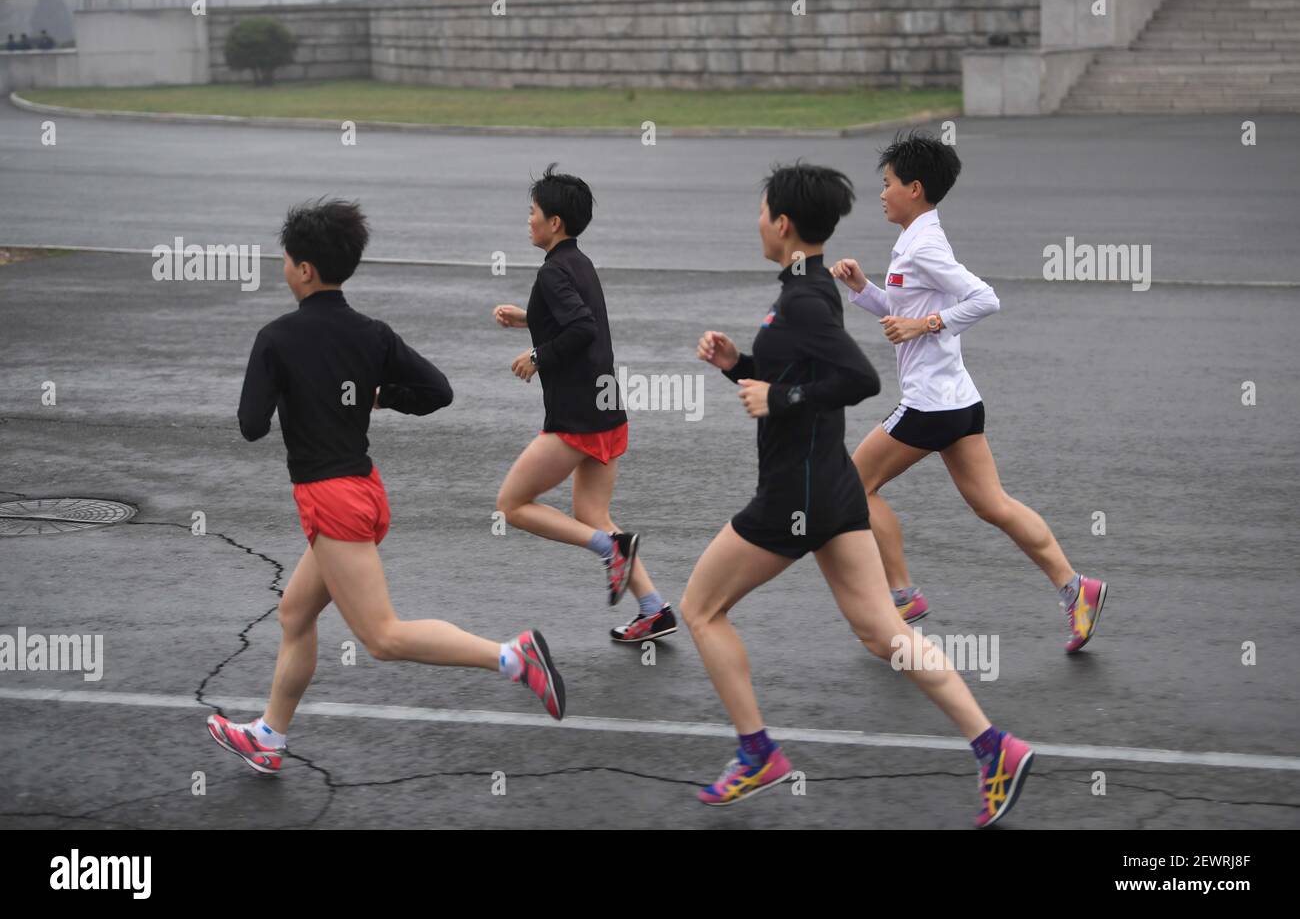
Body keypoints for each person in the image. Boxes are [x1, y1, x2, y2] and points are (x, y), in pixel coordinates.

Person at [685, 162, 1033, 827]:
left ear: (783, 224)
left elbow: (856, 378)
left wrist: (777, 395)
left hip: (797, 495)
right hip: (834, 488)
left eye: (762, 213)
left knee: (700, 610)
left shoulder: (805, 298)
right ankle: (995, 748)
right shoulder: (805, 285)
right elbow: (808, 371)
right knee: (885, 634)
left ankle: (757, 753)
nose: (756, 222)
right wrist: (742, 367)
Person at [207, 199, 564, 774]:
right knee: (295, 614)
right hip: (365, 493)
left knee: (382, 637)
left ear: (303, 270)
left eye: (286, 259)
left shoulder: (276, 338)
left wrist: (287, 389)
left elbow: (251, 427)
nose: (284, 266)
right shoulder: (372, 334)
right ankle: (269, 736)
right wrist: (379, 394)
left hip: (333, 501)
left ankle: (512, 657)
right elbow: (438, 392)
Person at [830, 131, 1106, 651]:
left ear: (914, 188)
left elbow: (986, 299)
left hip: (930, 405)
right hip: (958, 402)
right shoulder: (915, 239)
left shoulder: (927, 245)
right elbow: (900, 314)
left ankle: (902, 593)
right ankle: (1076, 588)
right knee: (993, 504)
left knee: (851, 486)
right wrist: (863, 289)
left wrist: (927, 324)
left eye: (887, 184)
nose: (882, 193)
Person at [493, 165, 674, 643]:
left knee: (511, 505)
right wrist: (528, 318)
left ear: (554, 222)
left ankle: (608, 550)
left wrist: (537, 354)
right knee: (593, 514)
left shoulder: (554, 271)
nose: (527, 219)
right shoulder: (578, 262)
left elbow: (581, 329)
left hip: (577, 417)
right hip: (607, 407)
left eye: (533, 212)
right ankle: (654, 609)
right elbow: (575, 318)